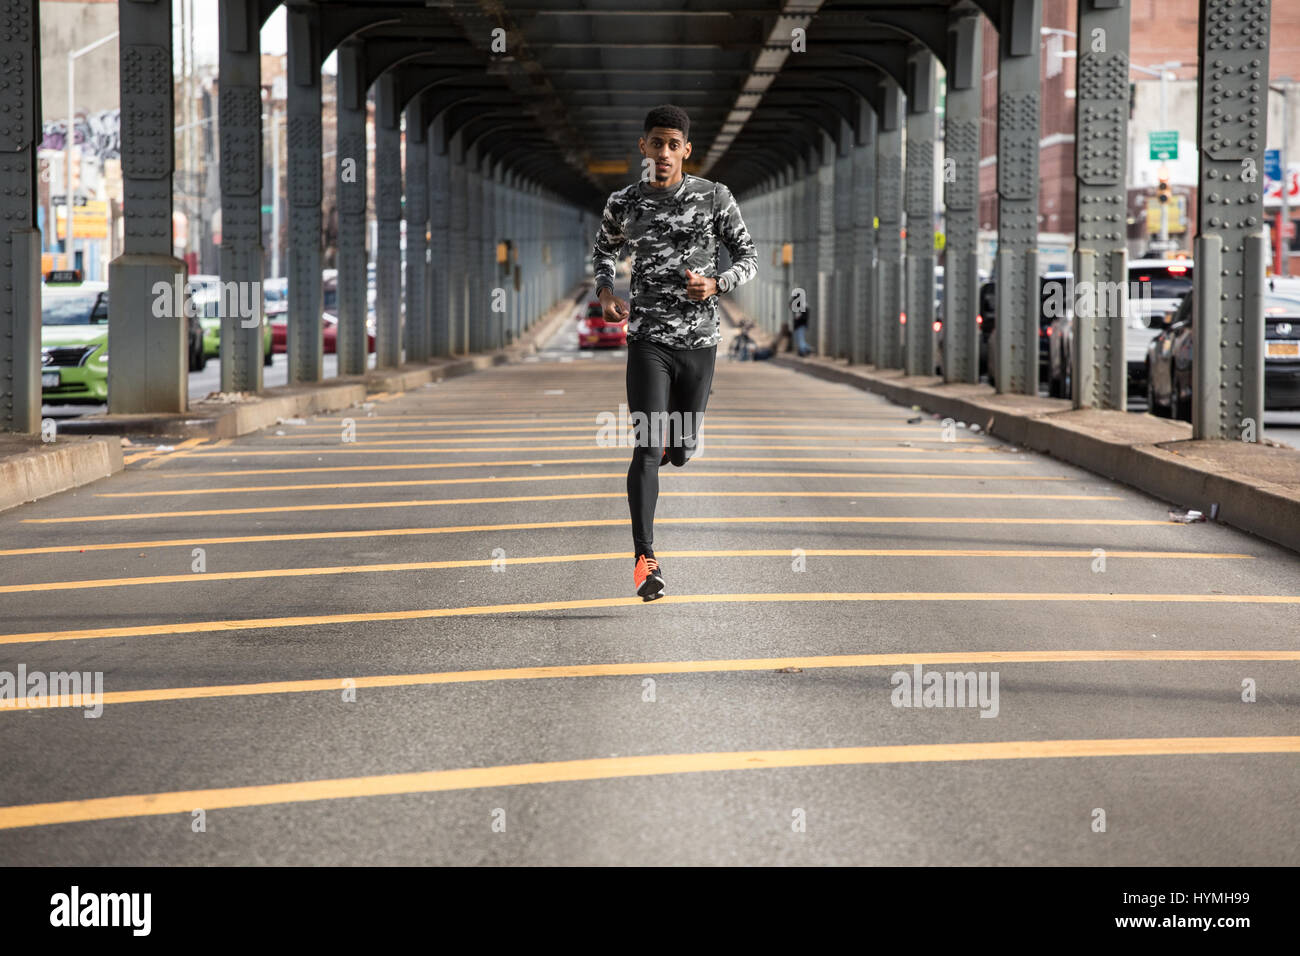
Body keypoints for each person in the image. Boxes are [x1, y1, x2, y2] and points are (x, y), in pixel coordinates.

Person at [591, 105, 758, 601]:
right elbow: (603, 251)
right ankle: (645, 558)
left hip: (700, 342)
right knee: (645, 446)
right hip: (647, 340)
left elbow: (748, 256)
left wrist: (717, 282)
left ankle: (672, 444)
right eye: (655, 144)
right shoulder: (624, 203)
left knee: (680, 451)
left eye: (672, 145)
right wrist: (605, 294)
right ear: (642, 147)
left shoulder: (714, 198)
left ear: (686, 150)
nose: (663, 153)